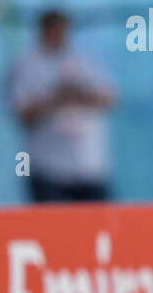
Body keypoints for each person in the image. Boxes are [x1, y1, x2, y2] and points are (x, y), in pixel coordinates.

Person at [10, 10, 115, 202]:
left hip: (88, 167)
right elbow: (23, 113)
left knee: (97, 227)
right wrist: (55, 99)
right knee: (52, 229)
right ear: (43, 31)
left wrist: (78, 93)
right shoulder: (27, 64)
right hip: (48, 169)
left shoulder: (84, 59)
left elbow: (109, 98)